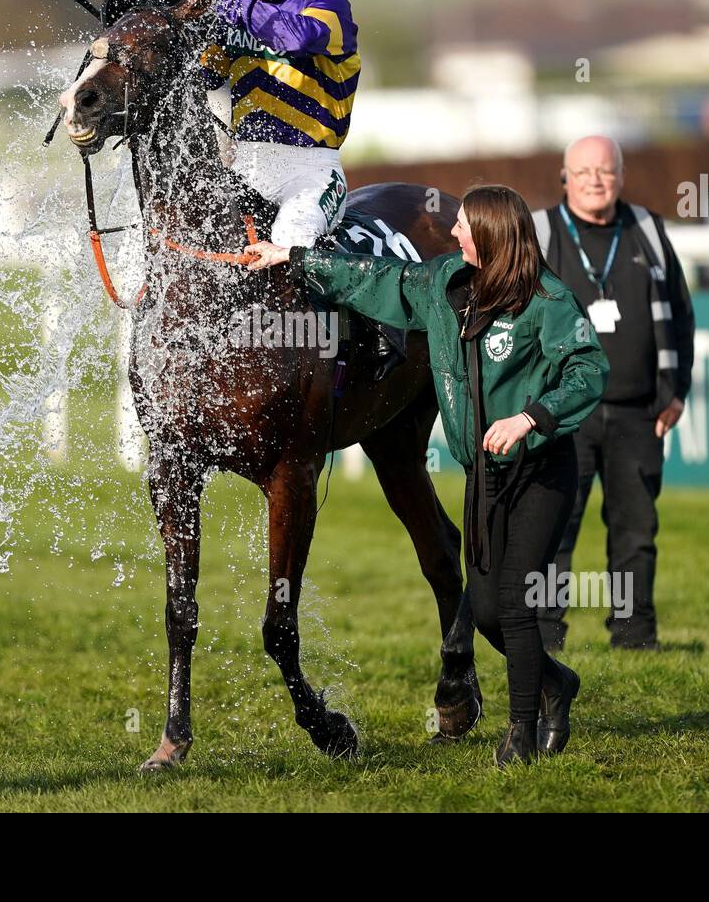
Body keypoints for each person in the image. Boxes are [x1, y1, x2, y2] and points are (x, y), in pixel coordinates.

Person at [245, 185, 609, 767]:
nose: (455, 231)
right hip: (484, 476)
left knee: (512, 608)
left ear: (491, 237)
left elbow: (589, 371)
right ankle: (555, 683)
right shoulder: (444, 287)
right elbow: (375, 282)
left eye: (464, 225)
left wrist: (529, 417)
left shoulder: (548, 300)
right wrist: (293, 258)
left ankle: (520, 735)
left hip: (541, 470)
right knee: (486, 610)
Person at [198, 0, 401, 375]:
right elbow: (206, 77)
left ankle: (354, 349)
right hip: (243, 164)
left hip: (310, 172)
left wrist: (234, 9)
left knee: (286, 249)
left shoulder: (328, 0)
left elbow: (296, 36)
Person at [530, 136, 695, 652]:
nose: (595, 180)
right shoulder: (540, 232)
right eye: (583, 172)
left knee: (636, 531)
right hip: (563, 416)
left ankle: (634, 636)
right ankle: (544, 637)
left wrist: (676, 390)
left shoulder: (646, 229)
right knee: (554, 530)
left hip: (638, 413)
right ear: (565, 178)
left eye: (605, 170)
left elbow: (682, 314)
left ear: (621, 175)